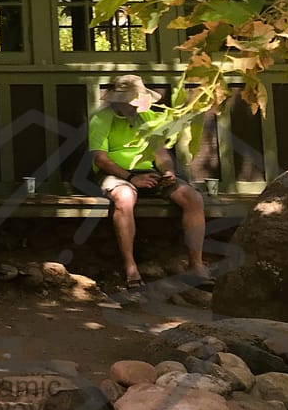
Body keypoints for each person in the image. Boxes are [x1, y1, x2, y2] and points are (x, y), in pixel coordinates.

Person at [89, 74, 212, 290]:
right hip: (117, 175)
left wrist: (168, 172)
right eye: (132, 101)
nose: (136, 106)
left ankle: (196, 265)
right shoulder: (101, 119)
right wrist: (130, 178)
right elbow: (100, 158)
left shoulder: (146, 117)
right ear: (119, 100)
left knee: (193, 197)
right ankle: (130, 267)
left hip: (148, 173)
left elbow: (160, 153)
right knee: (124, 197)